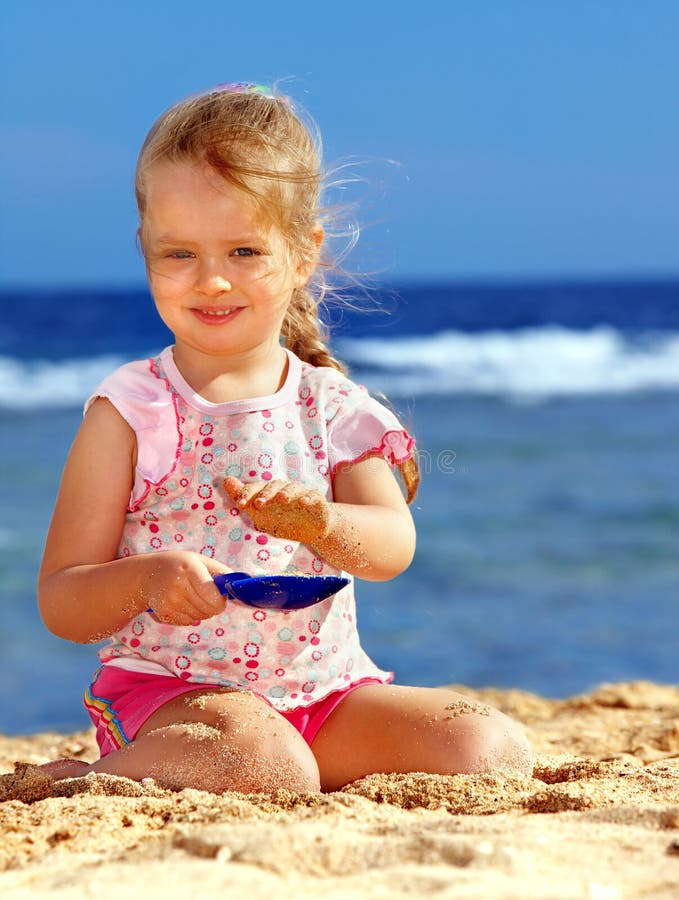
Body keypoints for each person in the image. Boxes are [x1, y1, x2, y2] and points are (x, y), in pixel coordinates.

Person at [37, 83, 532, 794]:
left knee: (486, 746)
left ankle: (290, 766)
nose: (210, 279)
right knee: (259, 761)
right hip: (174, 700)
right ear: (145, 249)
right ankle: (92, 775)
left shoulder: (330, 404)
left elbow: (392, 546)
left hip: (324, 696)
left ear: (302, 254)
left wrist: (321, 521)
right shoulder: (131, 409)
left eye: (243, 249)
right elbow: (62, 598)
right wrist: (145, 579)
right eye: (179, 253)